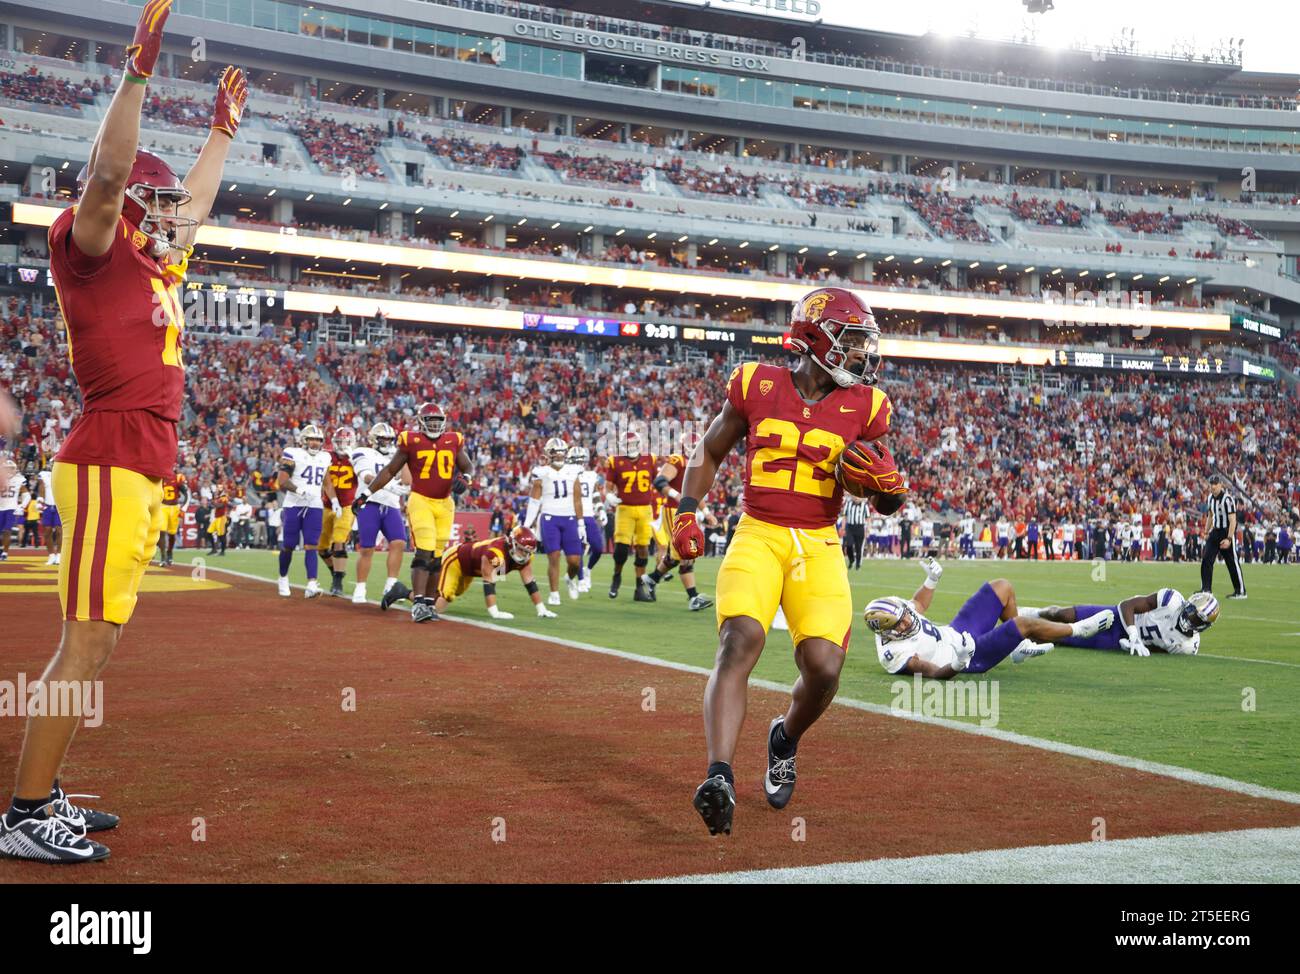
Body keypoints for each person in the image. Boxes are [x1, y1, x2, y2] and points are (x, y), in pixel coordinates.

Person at [1, 0, 247, 864]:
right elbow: (106, 179)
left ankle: (47, 782)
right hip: (109, 454)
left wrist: (221, 132)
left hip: (137, 460)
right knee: (85, 640)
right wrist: (136, 73)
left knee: (96, 640)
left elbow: (197, 209)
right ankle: (26, 812)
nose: (168, 207)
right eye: (156, 194)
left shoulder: (150, 254)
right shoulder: (89, 238)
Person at [671, 287, 905, 836]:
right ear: (818, 339)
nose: (861, 356)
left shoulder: (868, 406)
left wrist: (891, 492)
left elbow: (886, 494)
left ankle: (785, 738)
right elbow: (710, 450)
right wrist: (686, 510)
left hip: (818, 543)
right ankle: (720, 776)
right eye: (851, 343)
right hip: (758, 532)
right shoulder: (756, 382)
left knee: (823, 670)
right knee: (740, 640)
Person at [866, 559, 1114, 677]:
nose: (909, 621)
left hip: (955, 632)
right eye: (902, 624)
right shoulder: (894, 653)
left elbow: (918, 604)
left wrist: (931, 580)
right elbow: (931, 673)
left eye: (905, 617)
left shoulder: (898, 611)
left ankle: (1018, 647)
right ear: (888, 632)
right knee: (1022, 624)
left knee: (1001, 587)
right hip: (964, 656)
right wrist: (958, 663)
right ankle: (1078, 629)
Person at [360, 402, 474, 622]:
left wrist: (466, 478)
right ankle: (418, 603)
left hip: (445, 503)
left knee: (437, 557)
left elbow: (467, 465)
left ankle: (429, 603)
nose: (433, 424)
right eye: (429, 420)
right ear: (421, 422)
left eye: (437, 421)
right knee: (424, 551)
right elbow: (390, 470)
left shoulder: (453, 440)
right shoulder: (410, 441)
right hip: (421, 500)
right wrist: (366, 494)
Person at [1026, 589, 1217, 657]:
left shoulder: (1188, 646)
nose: (1189, 618)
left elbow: (1162, 650)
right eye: (1191, 612)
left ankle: (1023, 633)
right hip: (1118, 617)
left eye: (1196, 619)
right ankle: (1034, 613)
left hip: (1118, 640)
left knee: (1063, 637)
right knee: (1064, 614)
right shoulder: (1171, 600)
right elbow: (1128, 605)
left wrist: (1137, 644)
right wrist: (1134, 632)